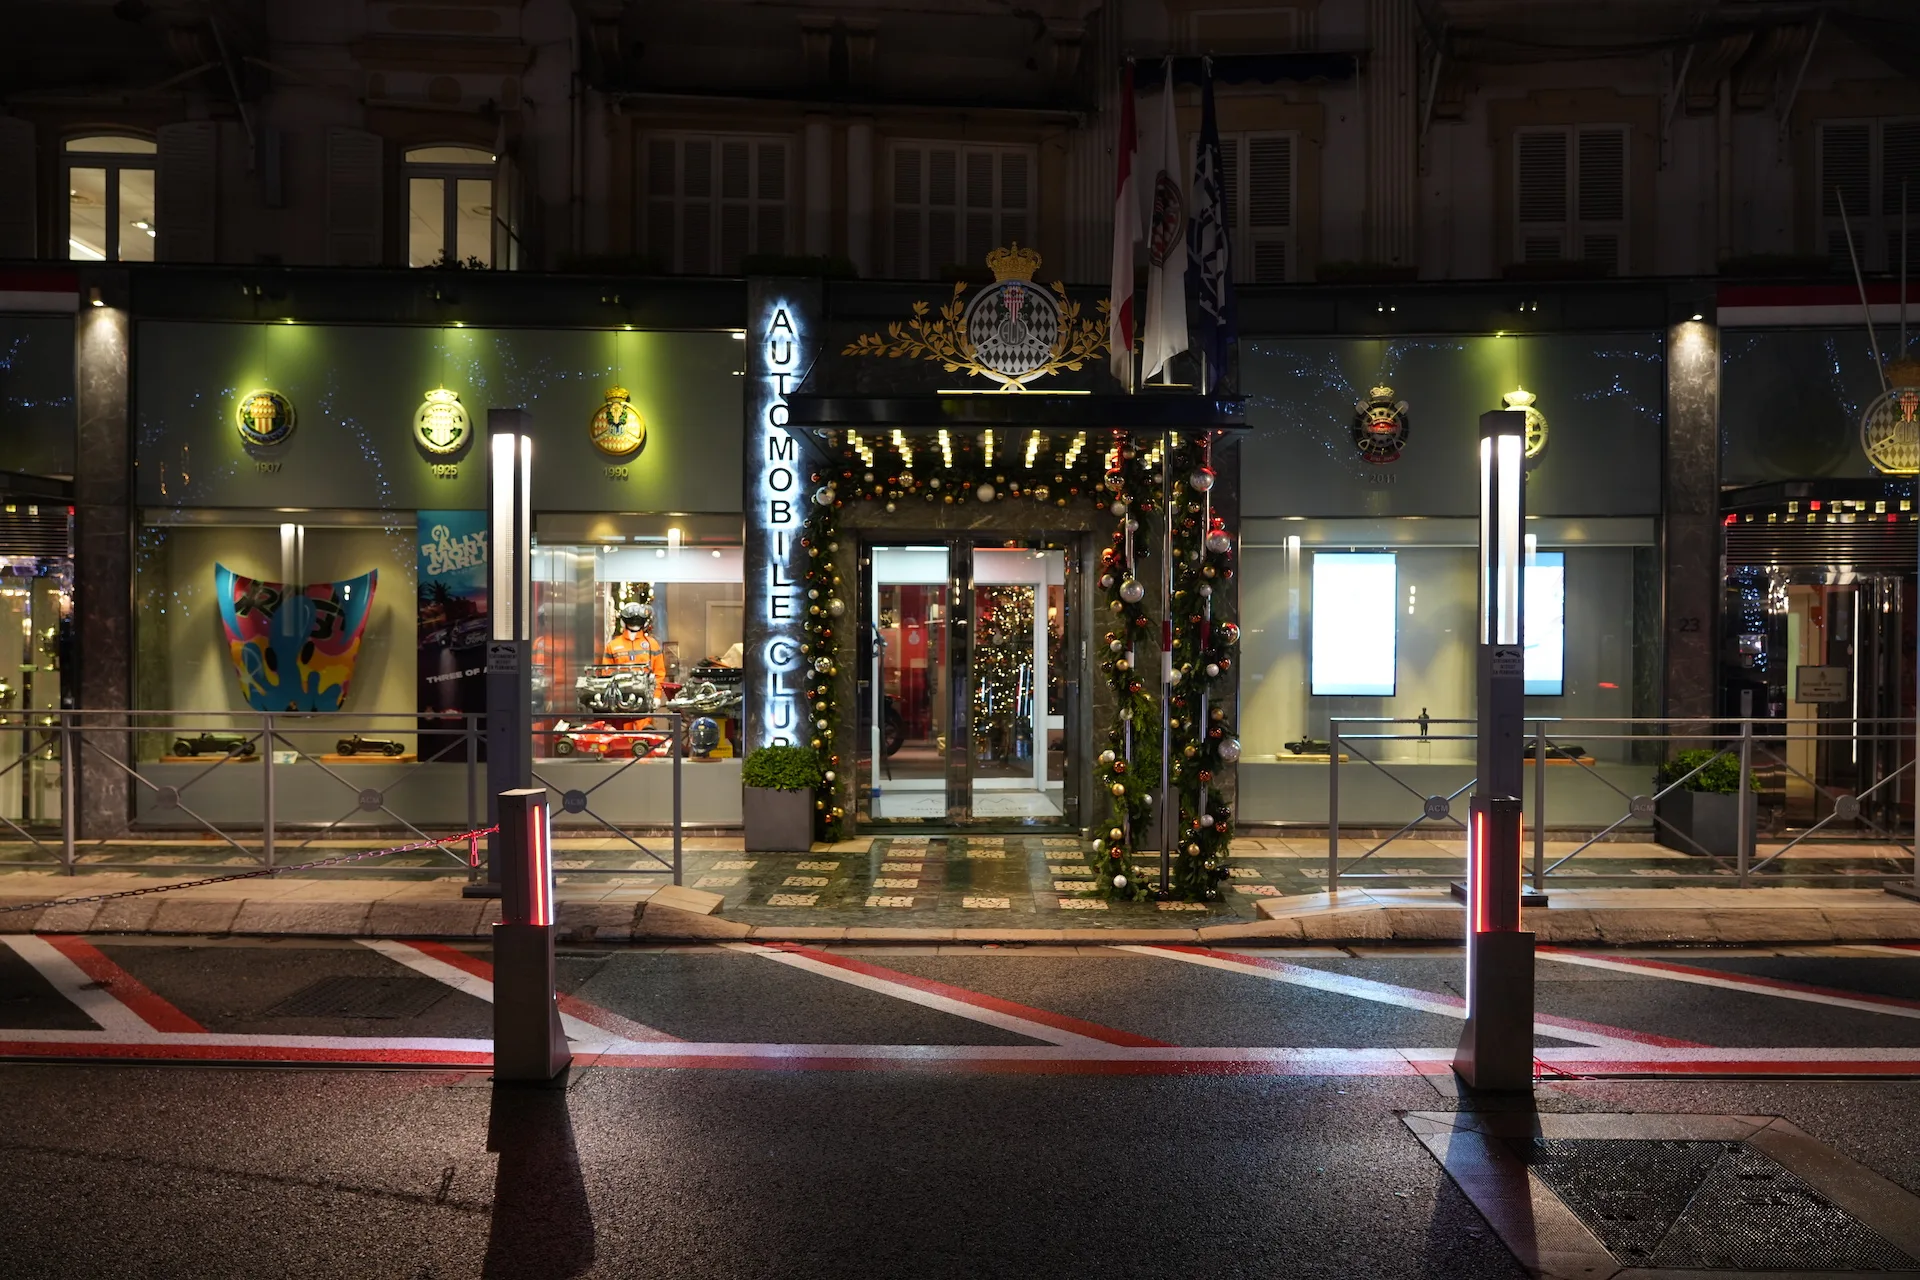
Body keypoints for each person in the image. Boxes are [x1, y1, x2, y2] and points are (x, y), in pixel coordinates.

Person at [604, 600, 666, 684]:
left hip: (647, 693)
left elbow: (659, 674)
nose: (635, 623)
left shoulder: (652, 645)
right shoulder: (612, 646)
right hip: (621, 694)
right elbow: (606, 675)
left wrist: (656, 696)